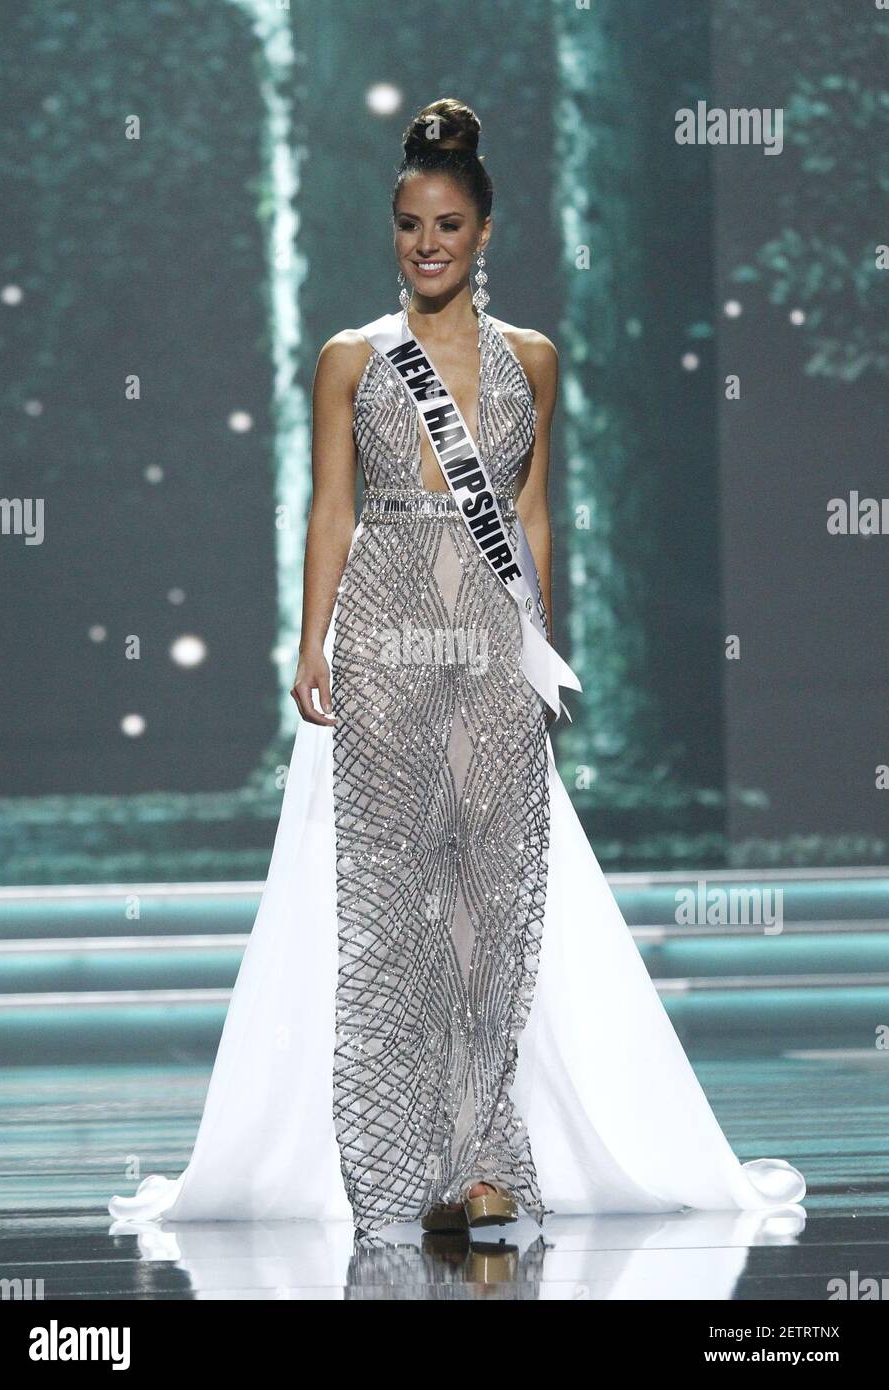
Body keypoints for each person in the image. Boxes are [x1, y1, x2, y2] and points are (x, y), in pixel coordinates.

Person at [109, 98, 805, 1242]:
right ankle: (405, 1155)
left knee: (491, 893)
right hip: (382, 636)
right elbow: (332, 506)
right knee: (397, 901)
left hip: (489, 640)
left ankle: (482, 1154)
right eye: (406, 225)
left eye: (446, 224)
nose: (424, 245)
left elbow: (529, 518)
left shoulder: (534, 357)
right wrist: (308, 640)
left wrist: (540, 649)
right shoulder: (352, 358)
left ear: (485, 231)